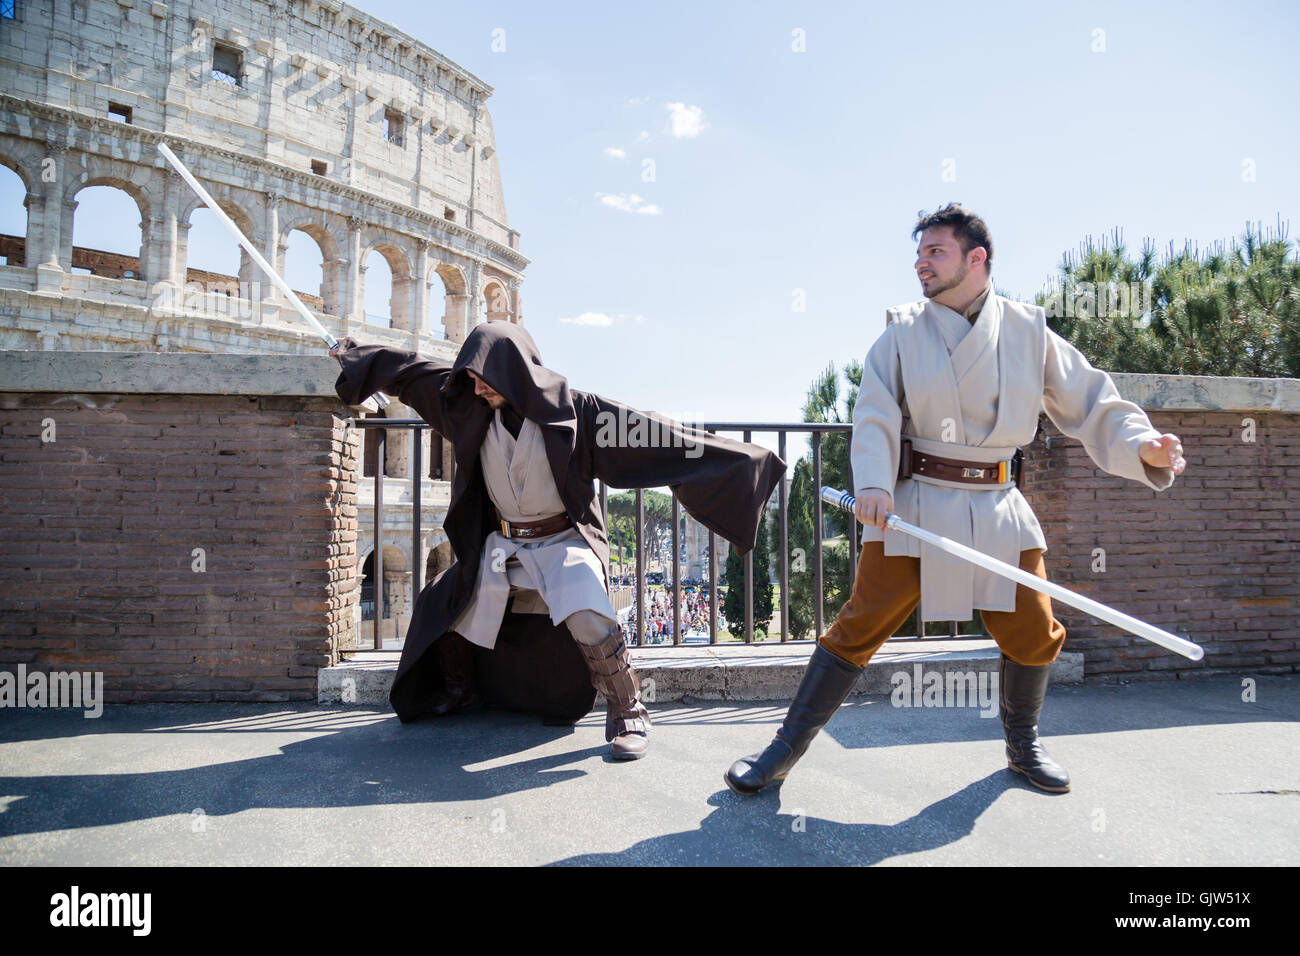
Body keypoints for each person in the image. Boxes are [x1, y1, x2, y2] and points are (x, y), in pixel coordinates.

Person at [725, 203, 1186, 794]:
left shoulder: (1027, 330)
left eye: (934, 252)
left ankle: (1023, 745)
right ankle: (782, 751)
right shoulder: (901, 330)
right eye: (918, 254)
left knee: (1035, 632)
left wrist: (1142, 444)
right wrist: (871, 483)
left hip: (997, 506)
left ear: (976, 258)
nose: (920, 263)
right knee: (857, 628)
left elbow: (1092, 399)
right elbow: (874, 412)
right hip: (913, 505)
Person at [333, 321, 784, 760]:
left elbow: (657, 435)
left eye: (484, 379)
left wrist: (745, 462)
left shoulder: (576, 411)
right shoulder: (466, 406)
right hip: (503, 545)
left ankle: (628, 709)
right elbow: (410, 371)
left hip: (565, 541)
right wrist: (352, 355)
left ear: (512, 371)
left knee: (589, 612)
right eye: (469, 379)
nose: (476, 389)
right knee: (448, 601)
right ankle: (461, 689)